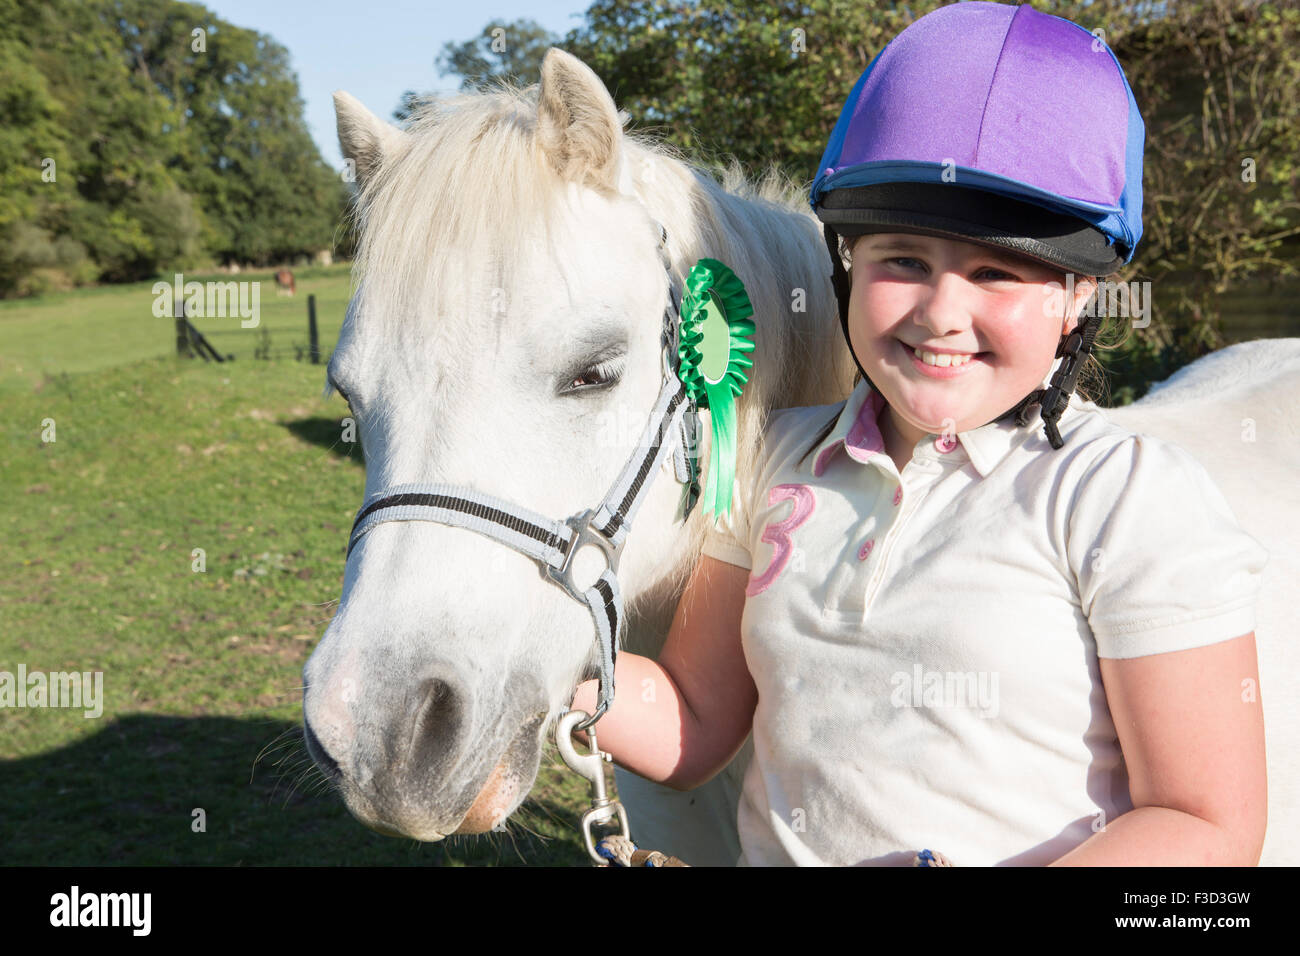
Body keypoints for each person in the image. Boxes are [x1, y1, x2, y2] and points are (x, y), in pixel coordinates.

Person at [570, 1, 1269, 865]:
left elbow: (1208, 826)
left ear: (1078, 299)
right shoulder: (772, 457)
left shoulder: (1122, 494)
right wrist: (544, 664)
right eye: (902, 259)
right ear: (847, 263)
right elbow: (694, 719)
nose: (943, 313)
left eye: (996, 272)